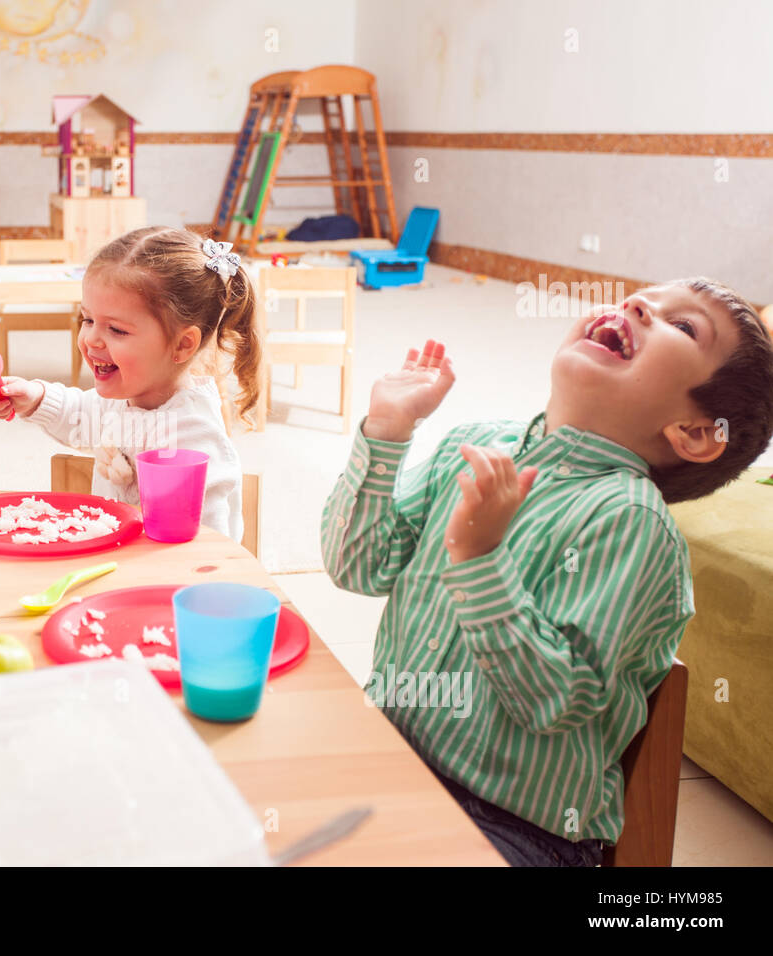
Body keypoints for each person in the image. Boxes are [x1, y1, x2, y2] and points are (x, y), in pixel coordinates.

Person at [321, 279, 773, 865]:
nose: (637, 305)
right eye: (645, 297)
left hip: (516, 827)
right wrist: (386, 431)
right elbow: (358, 566)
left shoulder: (632, 523)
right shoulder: (473, 444)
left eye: (684, 326)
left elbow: (555, 701)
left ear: (693, 432)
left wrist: (480, 561)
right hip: (387, 758)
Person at [0, 227, 260, 542]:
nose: (90, 339)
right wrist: (36, 398)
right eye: (87, 320)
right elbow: (79, 413)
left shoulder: (193, 436)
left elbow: (209, 550)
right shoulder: (126, 399)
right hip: (120, 565)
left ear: (182, 345)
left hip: (173, 581)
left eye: (116, 329)